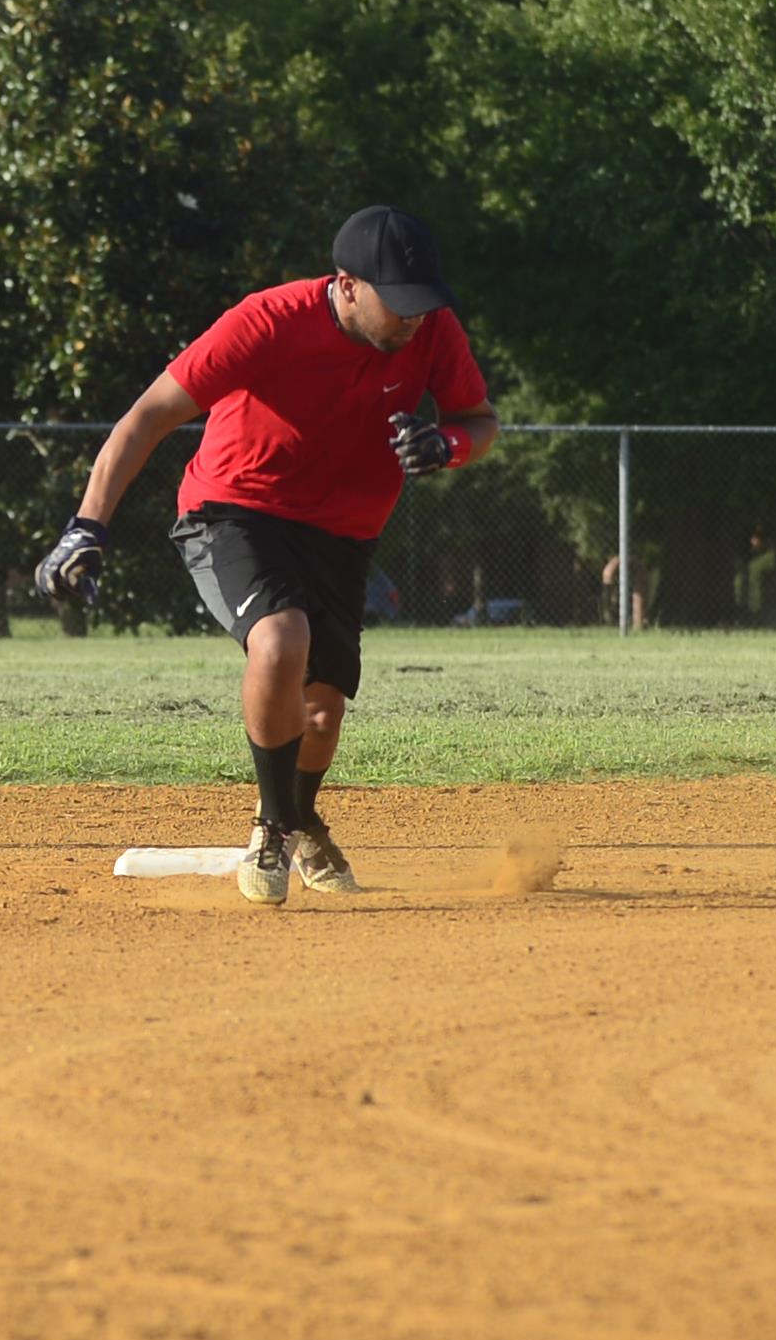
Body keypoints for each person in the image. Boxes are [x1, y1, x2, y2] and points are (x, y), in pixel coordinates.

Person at [37, 207, 498, 907]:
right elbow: (150, 414)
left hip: (342, 532)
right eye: (397, 304)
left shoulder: (431, 329)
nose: (412, 321)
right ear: (346, 285)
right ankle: (271, 830)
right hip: (236, 509)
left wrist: (448, 445)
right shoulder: (268, 321)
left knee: (322, 714)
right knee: (282, 640)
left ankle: (302, 817)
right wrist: (87, 526)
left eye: (422, 305)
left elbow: (479, 421)